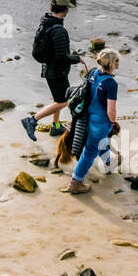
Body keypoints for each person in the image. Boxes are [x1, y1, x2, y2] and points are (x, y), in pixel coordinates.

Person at [21, 0, 85, 141]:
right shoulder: (58, 30)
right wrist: (77, 58)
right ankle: (32, 120)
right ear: (64, 9)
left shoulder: (46, 23)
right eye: (67, 7)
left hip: (51, 68)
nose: (68, 10)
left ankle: (56, 127)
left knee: (59, 98)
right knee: (63, 101)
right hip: (56, 72)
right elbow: (61, 56)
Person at [57, 49, 120, 194]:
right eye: (116, 61)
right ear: (110, 64)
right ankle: (76, 183)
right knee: (90, 152)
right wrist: (112, 122)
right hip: (99, 122)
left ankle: (108, 164)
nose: (118, 63)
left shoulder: (92, 72)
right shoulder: (111, 84)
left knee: (101, 142)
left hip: (84, 117)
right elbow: (111, 110)